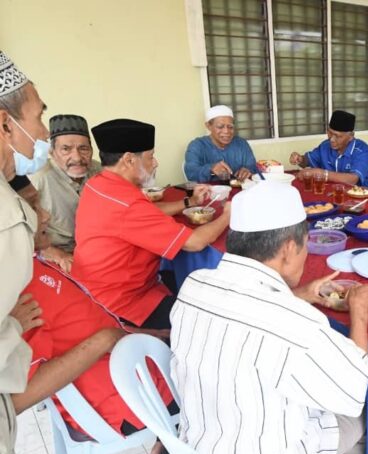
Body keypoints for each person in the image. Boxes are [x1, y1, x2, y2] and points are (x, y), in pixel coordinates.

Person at [171, 181, 368, 454]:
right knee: (366, 415)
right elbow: (354, 388)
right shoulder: (294, 322)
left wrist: (299, 293)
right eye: (306, 246)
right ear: (289, 248)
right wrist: (359, 312)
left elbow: (246, 308)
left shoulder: (194, 285)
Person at [10, 197, 180, 454]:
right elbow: (18, 398)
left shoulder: (32, 263)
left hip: (120, 366)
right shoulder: (19, 288)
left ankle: (167, 445)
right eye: (35, 206)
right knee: (211, 375)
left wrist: (136, 334)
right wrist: (106, 339)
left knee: (182, 339)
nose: (47, 214)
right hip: (114, 399)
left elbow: (87, 320)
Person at [72, 119, 231, 331]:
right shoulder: (127, 204)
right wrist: (229, 215)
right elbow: (195, 242)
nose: (155, 163)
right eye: (150, 156)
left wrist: (189, 202)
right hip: (120, 304)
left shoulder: (98, 184)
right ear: (129, 160)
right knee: (211, 319)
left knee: (182, 283)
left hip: (91, 289)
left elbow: (147, 213)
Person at [0, 50, 48, 454]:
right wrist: (10, 324)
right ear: (3, 123)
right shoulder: (6, 217)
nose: (43, 133)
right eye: (37, 117)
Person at [28, 114, 101, 272]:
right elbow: (21, 229)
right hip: (56, 255)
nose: (76, 157)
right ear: (52, 152)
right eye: (66, 149)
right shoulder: (38, 178)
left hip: (94, 250)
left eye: (83, 148)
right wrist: (55, 253)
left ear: (92, 150)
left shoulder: (99, 172)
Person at [289, 110, 368, 187]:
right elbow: (307, 161)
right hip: (332, 193)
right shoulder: (325, 146)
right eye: (329, 133)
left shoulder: (362, 150)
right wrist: (300, 159)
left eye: (337, 136)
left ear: (351, 136)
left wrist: (322, 174)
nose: (332, 139)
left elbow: (352, 180)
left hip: (361, 197)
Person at [183, 105, 257, 183]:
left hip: (240, 192)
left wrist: (248, 170)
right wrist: (211, 169)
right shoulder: (197, 146)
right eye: (220, 127)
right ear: (208, 126)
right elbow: (190, 173)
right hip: (208, 192)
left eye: (230, 127)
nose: (226, 131)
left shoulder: (241, 144)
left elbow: (253, 166)